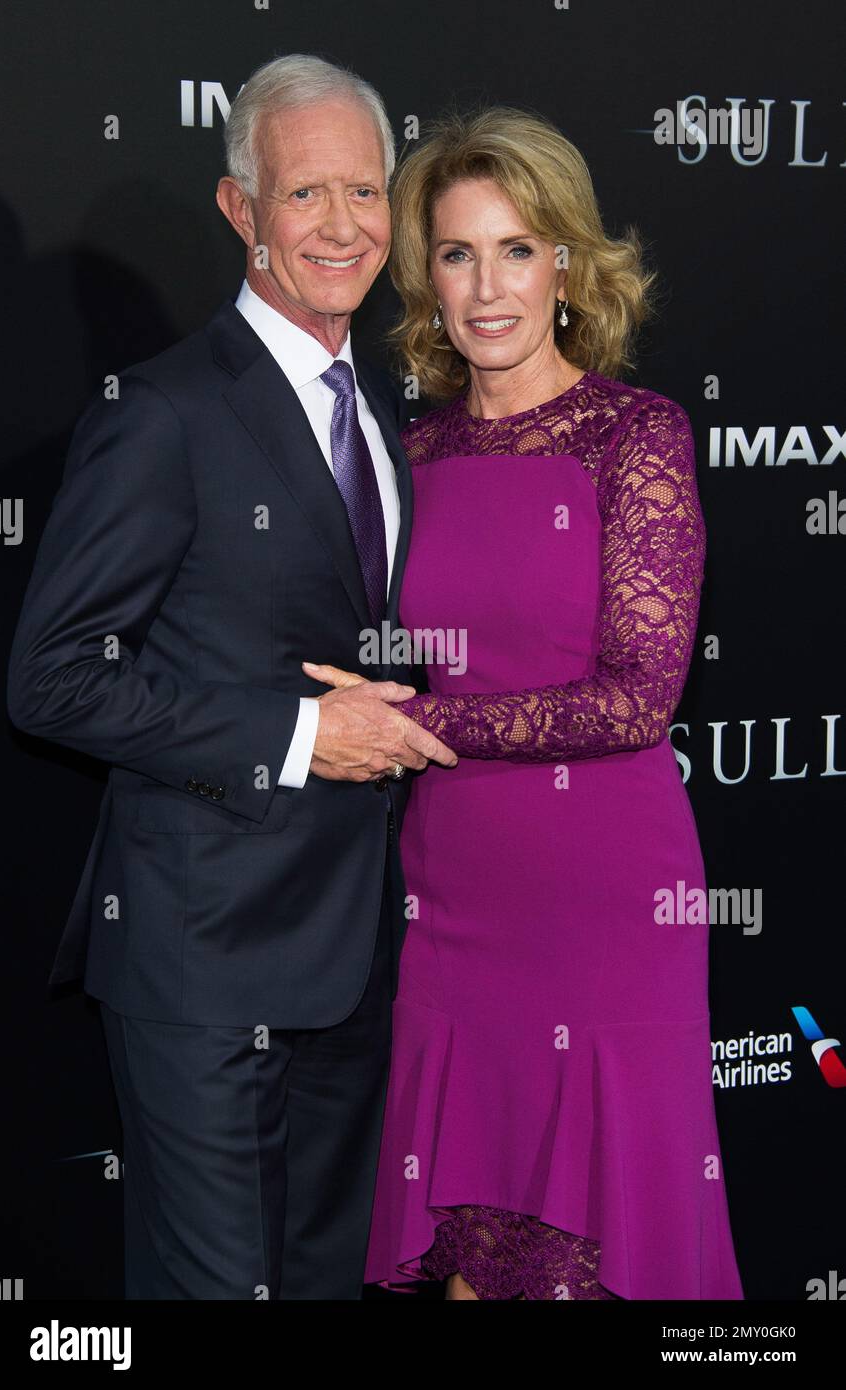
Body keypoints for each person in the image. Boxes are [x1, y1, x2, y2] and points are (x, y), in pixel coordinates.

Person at [6, 54, 456, 1301]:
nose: (341, 226)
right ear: (239, 208)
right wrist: (302, 736)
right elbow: (51, 678)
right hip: (202, 962)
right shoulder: (164, 413)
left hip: (354, 954)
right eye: (303, 194)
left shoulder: (377, 414)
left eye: (363, 193)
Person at [304, 107, 745, 1301]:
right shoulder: (408, 455)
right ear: (424, 279)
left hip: (605, 892)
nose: (485, 286)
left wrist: (423, 726)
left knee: (592, 1257)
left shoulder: (632, 437)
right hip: (452, 894)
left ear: (565, 265)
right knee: (462, 1249)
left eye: (514, 249)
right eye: (455, 253)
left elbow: (637, 697)